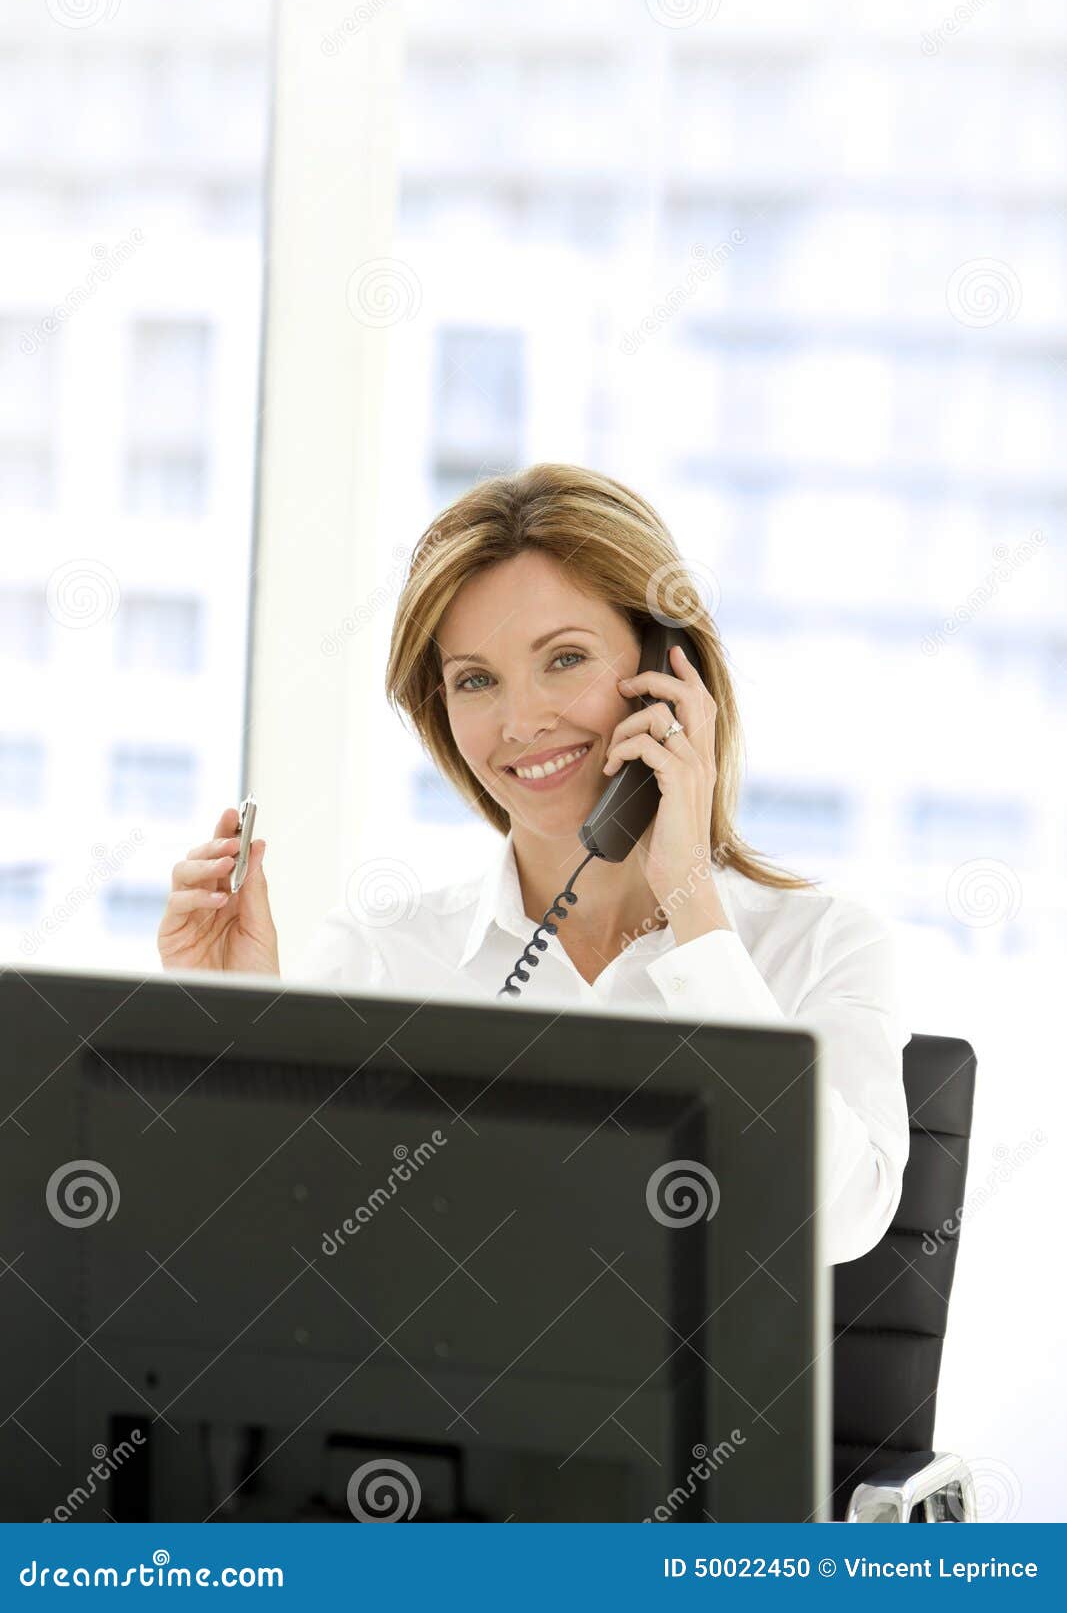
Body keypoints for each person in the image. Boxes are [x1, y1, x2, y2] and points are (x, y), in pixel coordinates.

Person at [157, 462, 910, 1267]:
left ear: (666, 672)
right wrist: (233, 1022)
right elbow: (265, 1252)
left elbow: (839, 1220)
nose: (520, 723)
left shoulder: (821, 946)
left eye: (564, 659)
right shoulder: (381, 956)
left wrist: (692, 909)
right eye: (475, 680)